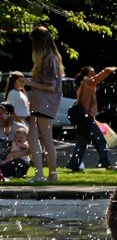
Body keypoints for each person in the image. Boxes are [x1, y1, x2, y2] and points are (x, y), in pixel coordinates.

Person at [27, 26, 65, 183]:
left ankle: (52, 175)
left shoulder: (50, 59)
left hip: (46, 105)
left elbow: (51, 87)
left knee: (47, 140)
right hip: (39, 104)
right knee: (32, 138)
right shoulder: (48, 58)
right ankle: (39, 174)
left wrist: (30, 82)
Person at [66, 65, 117, 172]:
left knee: (81, 144)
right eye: (91, 74)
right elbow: (98, 78)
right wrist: (107, 71)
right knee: (102, 142)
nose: (93, 76)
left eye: (93, 73)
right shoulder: (88, 83)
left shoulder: (82, 85)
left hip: (82, 119)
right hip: (87, 119)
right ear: (85, 76)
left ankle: (74, 165)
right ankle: (106, 165)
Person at [0, 103, 31, 180]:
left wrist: (13, 156)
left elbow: (33, 148)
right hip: (3, 161)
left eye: (4, 114)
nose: (0, 116)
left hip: (18, 161)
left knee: (11, 166)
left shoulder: (21, 128)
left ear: (12, 115)